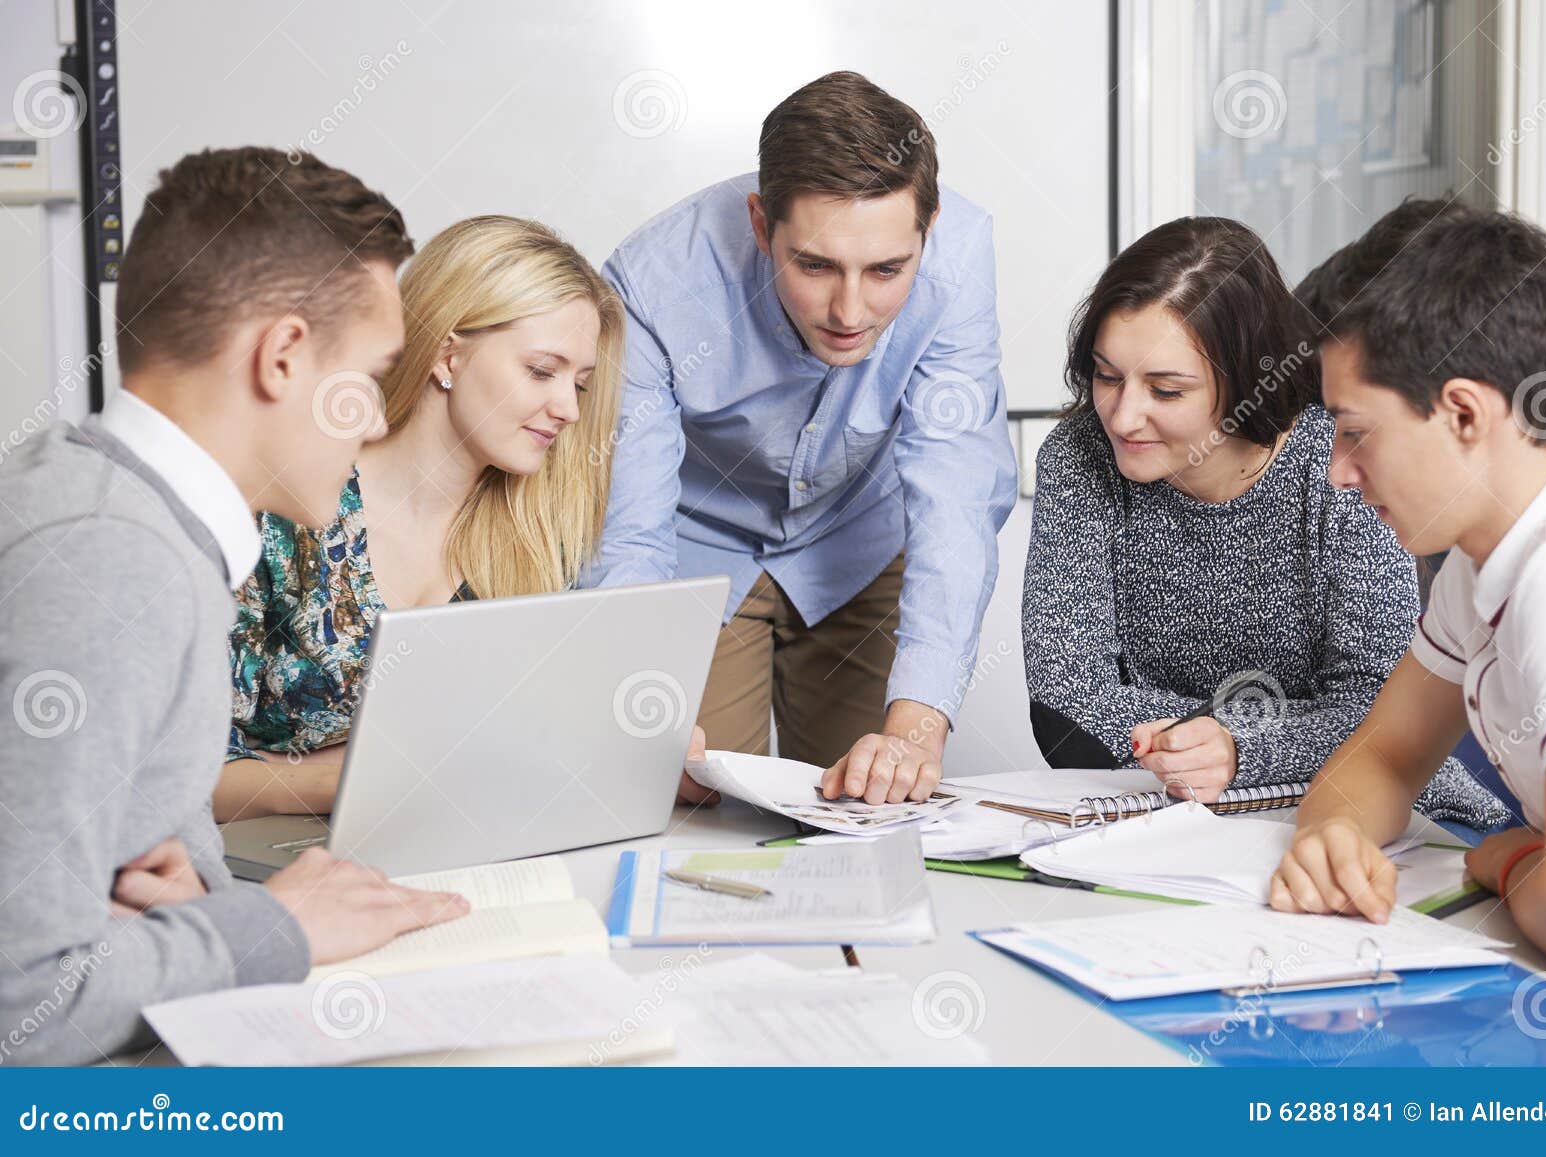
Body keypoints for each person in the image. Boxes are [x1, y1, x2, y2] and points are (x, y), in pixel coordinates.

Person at [0, 147, 468, 1065]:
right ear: (285, 356)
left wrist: (200, 913)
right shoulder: (115, 559)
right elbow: (22, 1004)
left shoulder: (116, 509)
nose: (377, 419)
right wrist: (271, 924)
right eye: (371, 377)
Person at [589, 71, 1017, 806]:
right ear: (761, 225)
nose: (850, 310)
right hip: (703, 553)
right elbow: (630, 532)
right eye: (815, 265)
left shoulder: (961, 254)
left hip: (859, 540)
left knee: (869, 807)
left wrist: (921, 718)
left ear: (930, 225)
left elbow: (957, 487)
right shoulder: (654, 283)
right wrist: (644, 687)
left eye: (887, 269)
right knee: (698, 807)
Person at [1022, 215, 1506, 829]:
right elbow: (1064, 702)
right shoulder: (1079, 455)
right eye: (1107, 376)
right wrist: (1203, 748)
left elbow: (1380, 711)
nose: (1122, 416)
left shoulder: (1344, 461)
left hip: (1378, 807)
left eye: (1166, 391)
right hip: (1159, 818)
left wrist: (1236, 745)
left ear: (1246, 377)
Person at [1271, 199, 1546, 979]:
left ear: (1460, 412)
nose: (1337, 470)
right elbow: (1385, 756)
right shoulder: (1485, 557)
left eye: (1354, 430)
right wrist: (1335, 839)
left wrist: (1508, 863)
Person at [215, 214, 635, 821]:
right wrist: (342, 784)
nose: (568, 408)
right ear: (447, 355)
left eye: (582, 385)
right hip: (267, 863)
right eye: (542, 371)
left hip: (454, 849)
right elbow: (185, 773)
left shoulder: (535, 544)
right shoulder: (280, 514)